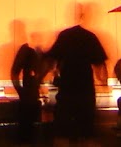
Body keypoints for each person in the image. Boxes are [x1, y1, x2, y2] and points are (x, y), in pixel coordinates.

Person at [46, 9, 108, 146]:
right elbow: (99, 64)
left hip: (67, 87)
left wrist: (40, 77)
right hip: (85, 88)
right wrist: (103, 82)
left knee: (63, 129)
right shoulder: (89, 37)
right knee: (86, 129)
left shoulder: (65, 36)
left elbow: (52, 58)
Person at [10, 36, 47, 143]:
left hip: (31, 95)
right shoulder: (27, 50)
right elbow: (15, 72)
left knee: (30, 128)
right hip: (28, 95)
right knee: (28, 127)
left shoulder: (33, 51)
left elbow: (15, 72)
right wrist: (19, 90)